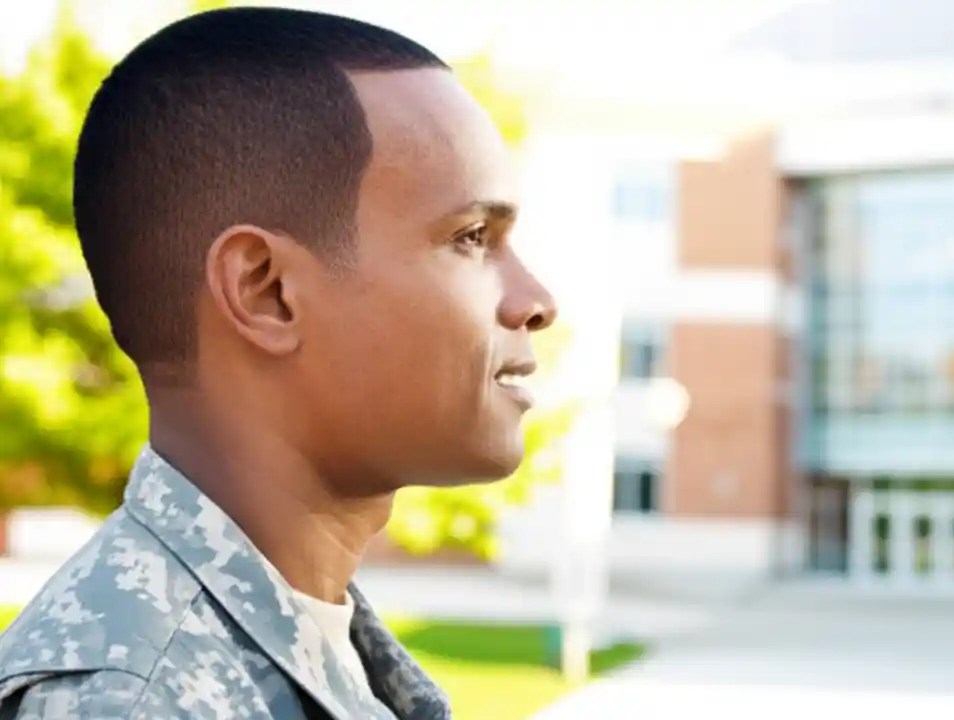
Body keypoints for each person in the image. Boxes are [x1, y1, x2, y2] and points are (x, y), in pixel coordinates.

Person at [0, 6, 556, 719]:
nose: (537, 301)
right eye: (472, 236)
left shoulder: (326, 656)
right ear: (267, 292)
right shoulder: (131, 702)